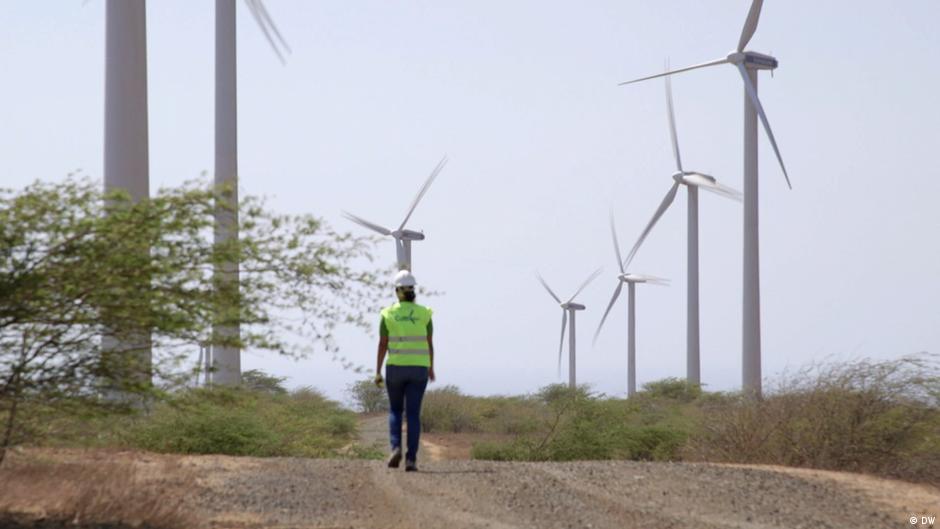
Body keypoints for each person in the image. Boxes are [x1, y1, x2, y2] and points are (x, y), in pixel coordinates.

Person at [374, 269, 435, 471]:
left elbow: (382, 344)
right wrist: (431, 368)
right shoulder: (425, 313)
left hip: (396, 369)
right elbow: (429, 343)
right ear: (414, 290)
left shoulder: (388, 314)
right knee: (413, 414)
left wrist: (378, 371)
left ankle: (395, 448)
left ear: (397, 291)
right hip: (419, 369)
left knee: (395, 410)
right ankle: (411, 459)